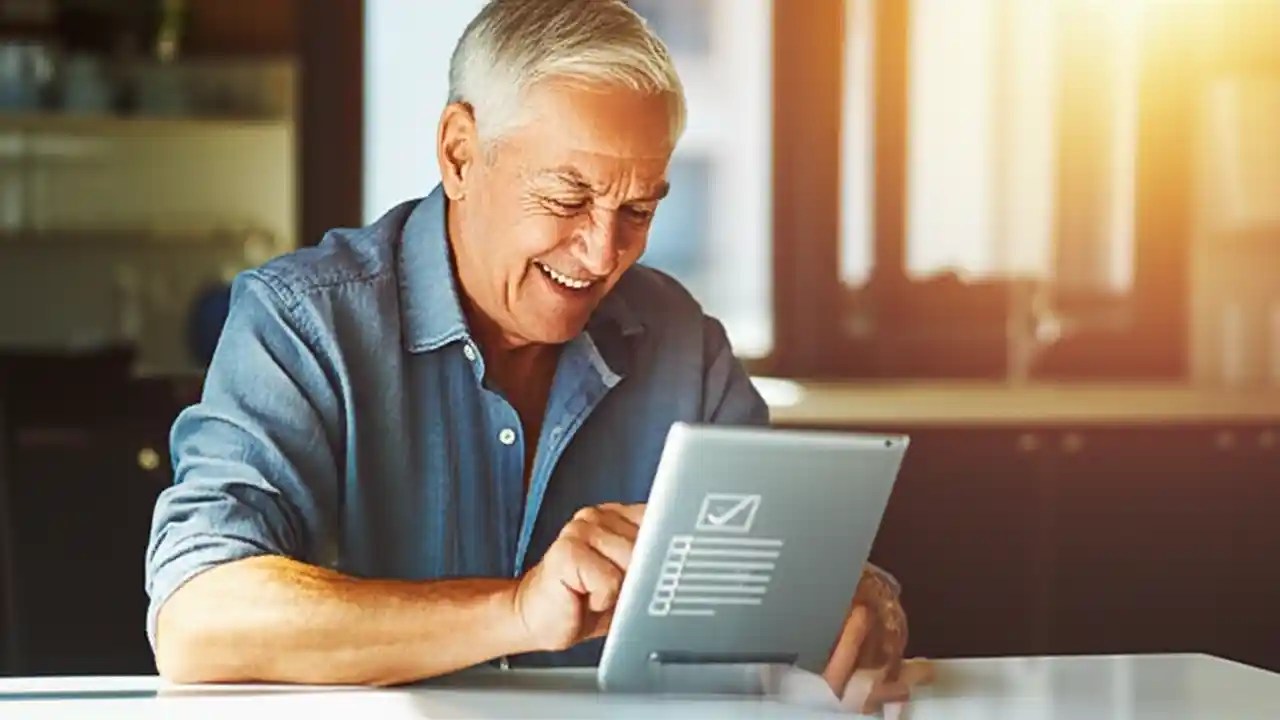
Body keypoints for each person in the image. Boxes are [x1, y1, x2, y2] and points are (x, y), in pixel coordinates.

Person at [145, 0, 915, 712]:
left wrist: (862, 597)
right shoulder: (302, 323)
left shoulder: (683, 341)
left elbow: (784, 574)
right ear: (459, 155)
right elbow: (198, 614)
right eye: (567, 197)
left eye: (638, 208)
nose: (603, 252)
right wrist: (515, 611)